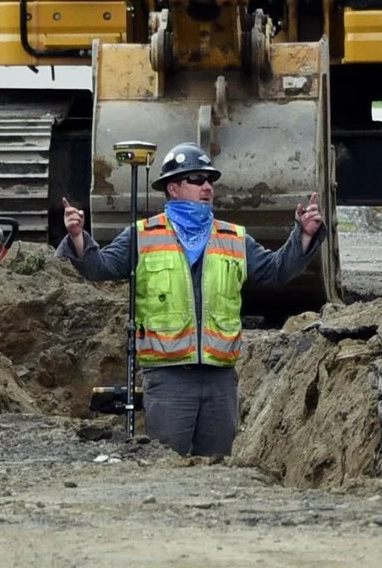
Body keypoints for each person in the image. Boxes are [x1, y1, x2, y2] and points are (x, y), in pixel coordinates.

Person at [59, 142, 323, 458]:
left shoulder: (232, 238)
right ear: (173, 187)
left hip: (219, 381)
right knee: (169, 468)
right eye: (197, 179)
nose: (207, 187)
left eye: (210, 180)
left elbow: (277, 269)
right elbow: (99, 267)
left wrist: (304, 235)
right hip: (169, 380)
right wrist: (77, 237)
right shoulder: (144, 235)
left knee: (215, 469)